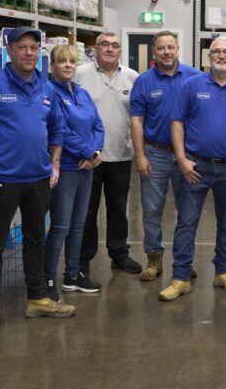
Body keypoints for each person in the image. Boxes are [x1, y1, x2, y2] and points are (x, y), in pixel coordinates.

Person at [0, 26, 76, 345]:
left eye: (34, 48)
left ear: (39, 53)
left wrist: (53, 165)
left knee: (36, 241)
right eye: (22, 47)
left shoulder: (46, 87)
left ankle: (37, 299)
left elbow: (58, 129)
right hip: (0, 181)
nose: (28, 52)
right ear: (8, 50)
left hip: (38, 181)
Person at [160, 36, 226, 301]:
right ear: (209, 56)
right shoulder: (192, 85)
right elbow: (177, 123)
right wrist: (182, 160)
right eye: (216, 51)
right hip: (195, 167)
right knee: (186, 223)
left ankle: (223, 272)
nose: (222, 56)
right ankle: (180, 276)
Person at [130, 31, 199, 282]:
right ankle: (153, 259)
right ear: (154, 52)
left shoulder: (195, 77)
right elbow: (136, 121)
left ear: (178, 49)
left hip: (187, 156)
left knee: (188, 210)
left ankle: (183, 261)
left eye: (171, 47)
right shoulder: (144, 81)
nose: (166, 52)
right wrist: (140, 156)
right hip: (154, 152)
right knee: (151, 209)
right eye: (161, 48)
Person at [74, 32, 142, 278]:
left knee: (118, 207)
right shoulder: (80, 74)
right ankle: (83, 257)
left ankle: (119, 253)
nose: (110, 49)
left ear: (120, 50)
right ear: (95, 49)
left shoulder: (132, 77)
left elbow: (139, 116)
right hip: (88, 157)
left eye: (115, 45)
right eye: (105, 45)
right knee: (87, 209)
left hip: (121, 154)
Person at [45, 45, 105, 302]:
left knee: (79, 225)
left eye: (72, 61)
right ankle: (47, 279)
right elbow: (60, 130)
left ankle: (72, 275)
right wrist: (89, 152)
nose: (68, 65)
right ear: (52, 66)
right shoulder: (50, 93)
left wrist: (95, 153)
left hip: (86, 168)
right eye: (62, 61)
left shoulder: (82, 93)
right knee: (60, 226)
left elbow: (98, 125)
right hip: (67, 169)